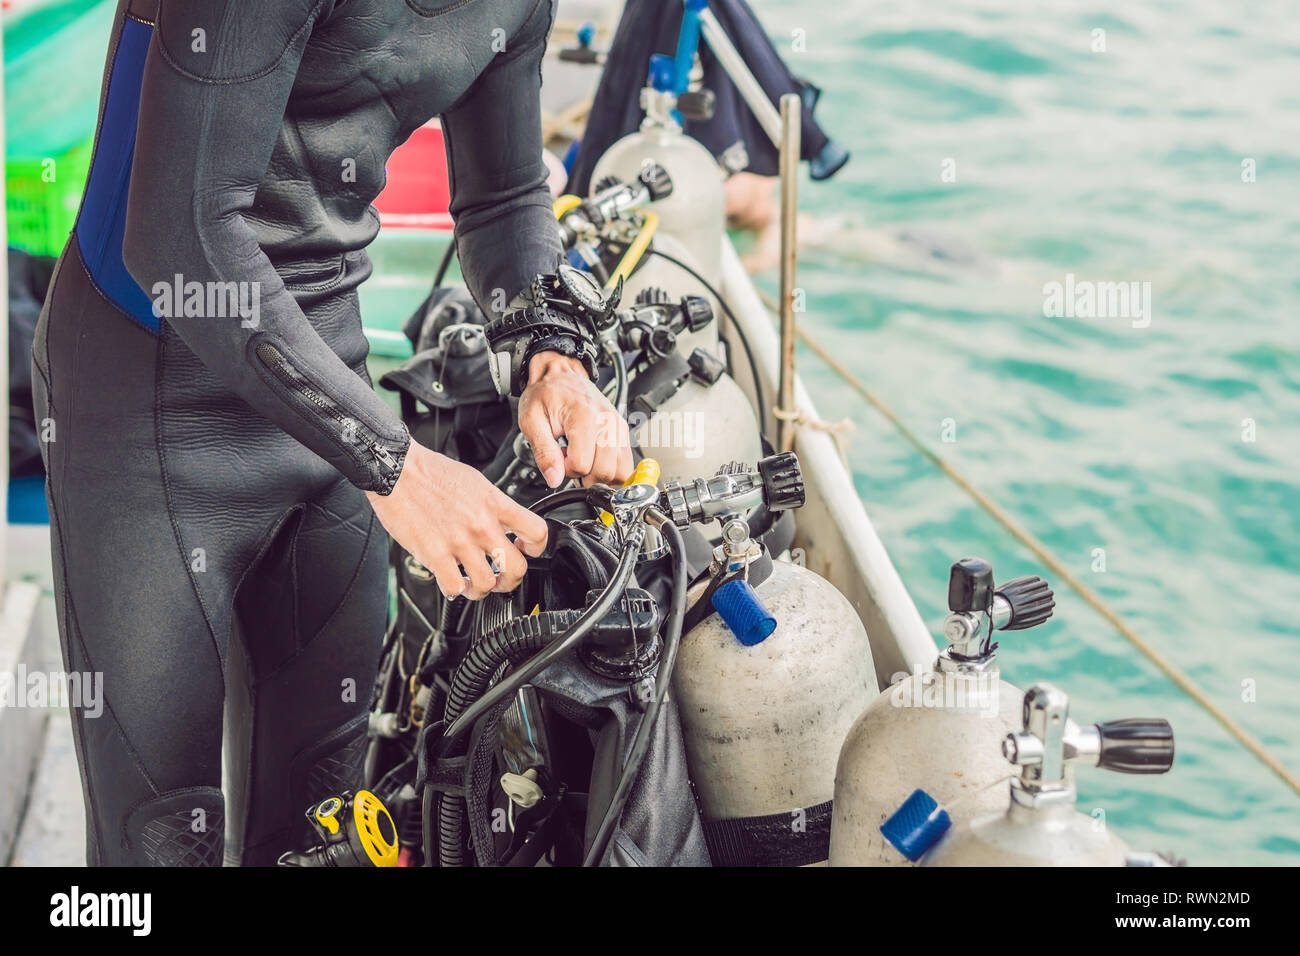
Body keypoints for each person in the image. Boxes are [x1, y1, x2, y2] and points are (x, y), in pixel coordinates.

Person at [31, 0, 630, 866]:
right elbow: (178, 236)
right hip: (147, 406)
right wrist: (396, 466)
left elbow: (504, 196)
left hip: (322, 387)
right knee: (157, 844)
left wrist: (552, 355)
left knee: (327, 820)